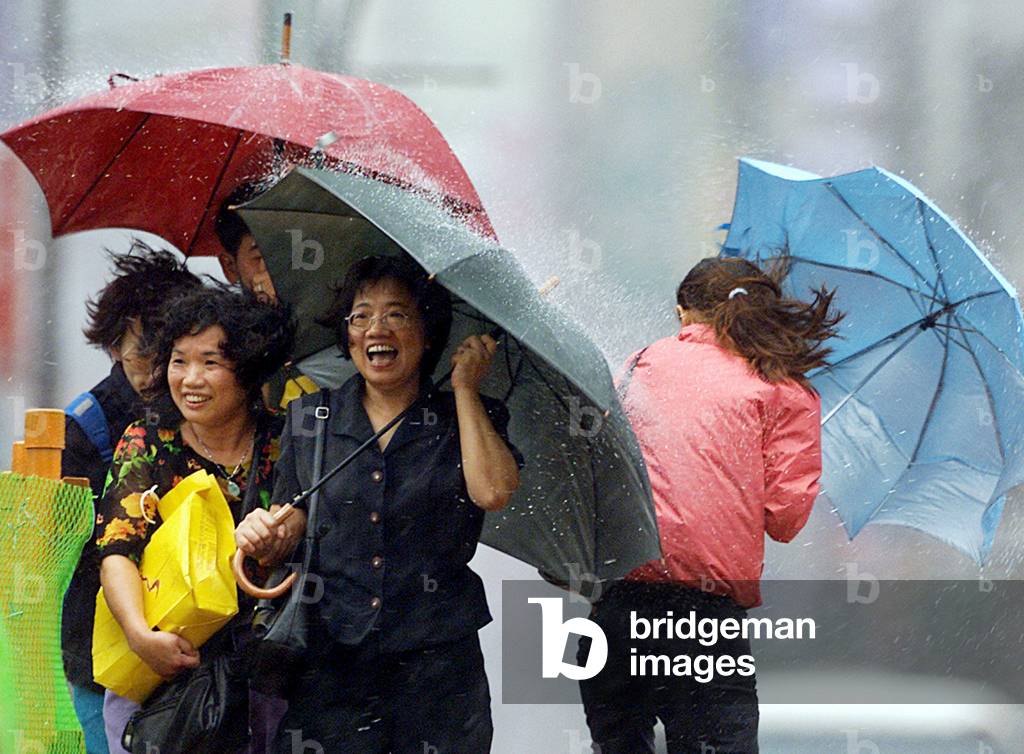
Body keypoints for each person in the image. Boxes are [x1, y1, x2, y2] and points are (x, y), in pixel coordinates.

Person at [234, 255, 522, 754]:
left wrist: (464, 391)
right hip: (330, 671)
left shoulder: (468, 415)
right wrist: (263, 534)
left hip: (438, 672)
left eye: (396, 314)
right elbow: (289, 526)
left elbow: (493, 491)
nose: (375, 328)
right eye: (361, 315)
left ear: (428, 333)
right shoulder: (312, 417)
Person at [577, 257, 841, 753]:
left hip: (615, 611)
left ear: (683, 314)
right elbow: (784, 520)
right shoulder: (783, 390)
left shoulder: (636, 365)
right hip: (705, 625)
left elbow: (598, 466)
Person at [94, 286, 304, 753]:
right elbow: (116, 550)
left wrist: (282, 536)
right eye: (179, 360)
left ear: (247, 370)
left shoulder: (287, 438)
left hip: (259, 676)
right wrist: (139, 635)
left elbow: (307, 533)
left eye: (210, 362)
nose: (190, 378)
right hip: (161, 678)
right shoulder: (149, 439)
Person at [61, 242, 201, 754]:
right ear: (113, 345)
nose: (157, 368)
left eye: (171, 351)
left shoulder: (202, 411)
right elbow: (72, 561)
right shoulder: (83, 429)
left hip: (191, 650)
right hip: (102, 661)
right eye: (143, 349)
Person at [215, 183, 322, 410]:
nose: (275, 266)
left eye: (285, 250)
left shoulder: (332, 315)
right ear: (230, 266)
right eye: (261, 255)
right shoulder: (223, 338)